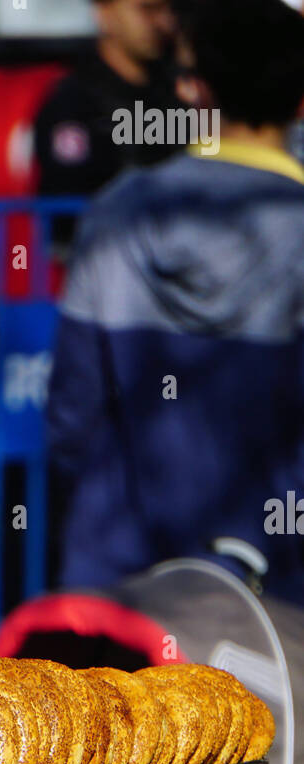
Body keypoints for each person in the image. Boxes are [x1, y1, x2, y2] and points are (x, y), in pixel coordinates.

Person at [46, 0, 304, 602]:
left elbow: (72, 408)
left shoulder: (118, 208)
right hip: (270, 577)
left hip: (115, 559)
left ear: (198, 92)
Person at [34, 0, 179, 201]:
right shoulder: (73, 102)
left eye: (168, 9)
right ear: (104, 14)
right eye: (148, 9)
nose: (165, 21)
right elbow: (66, 203)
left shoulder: (182, 92)